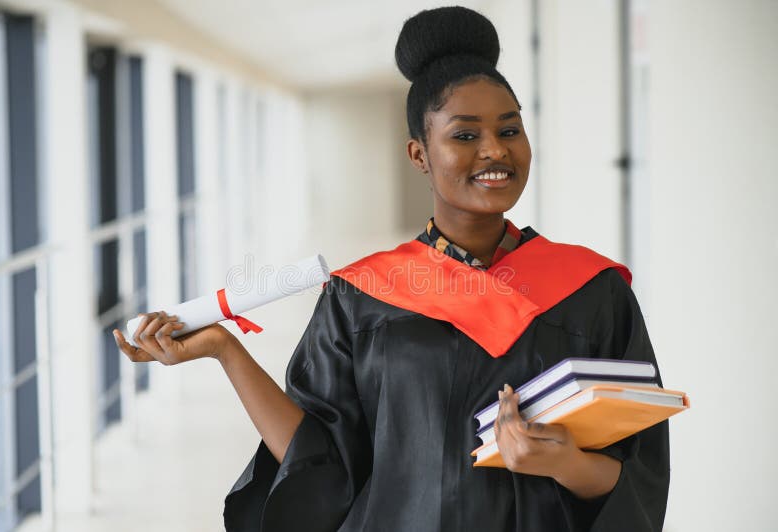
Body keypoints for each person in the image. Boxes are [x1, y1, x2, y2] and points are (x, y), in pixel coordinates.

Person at [113, 6, 669, 531]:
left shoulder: (591, 291)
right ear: (419, 154)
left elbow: (640, 475)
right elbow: (319, 464)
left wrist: (566, 463)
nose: (495, 151)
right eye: (465, 135)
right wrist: (225, 350)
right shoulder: (362, 297)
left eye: (509, 130)